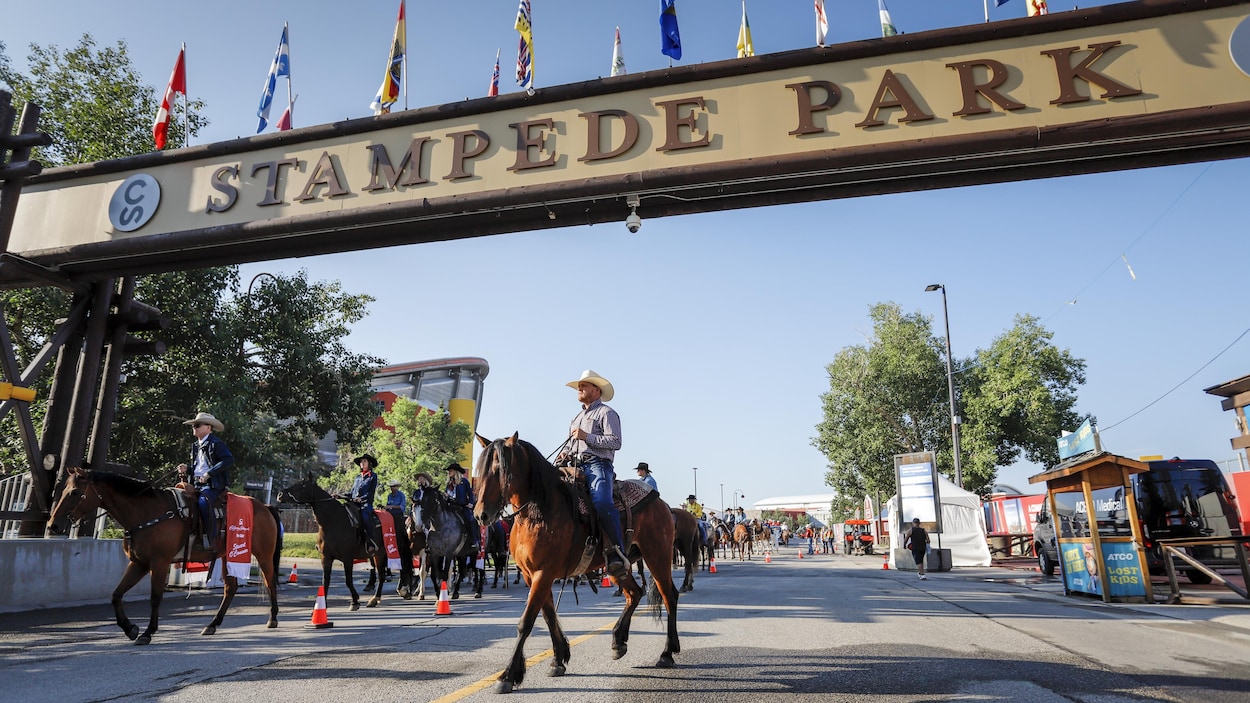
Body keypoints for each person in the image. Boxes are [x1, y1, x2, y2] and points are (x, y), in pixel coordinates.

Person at [557, 369, 628, 579]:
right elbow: (571, 445)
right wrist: (565, 453)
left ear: (597, 390)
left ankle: (616, 551)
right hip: (575, 465)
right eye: (579, 386)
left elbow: (616, 441)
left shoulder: (607, 413)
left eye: (585, 385)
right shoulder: (576, 418)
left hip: (598, 465)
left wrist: (588, 437)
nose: (580, 388)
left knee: (602, 503)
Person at [176, 412, 233, 549]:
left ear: (209, 428)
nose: (194, 427)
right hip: (196, 483)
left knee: (203, 502)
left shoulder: (216, 444)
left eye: (198, 425)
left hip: (213, 484)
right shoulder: (195, 445)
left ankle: (211, 538)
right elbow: (198, 468)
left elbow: (228, 459)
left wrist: (210, 474)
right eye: (194, 425)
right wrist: (187, 469)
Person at [349, 454, 380, 554]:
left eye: (364, 461)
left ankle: (371, 541)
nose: (362, 463)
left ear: (369, 463)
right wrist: (340, 495)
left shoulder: (373, 476)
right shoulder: (358, 477)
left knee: (365, 516)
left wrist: (361, 499)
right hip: (354, 503)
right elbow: (352, 492)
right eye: (361, 462)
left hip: (365, 503)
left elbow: (371, 493)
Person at [445, 462, 479, 550]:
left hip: (462, 506)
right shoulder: (449, 484)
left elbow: (470, 494)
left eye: (451, 471)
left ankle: (475, 541)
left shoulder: (464, 482)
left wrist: (471, 503)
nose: (449, 472)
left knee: (471, 519)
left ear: (456, 471)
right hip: (450, 506)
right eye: (449, 471)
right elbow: (448, 495)